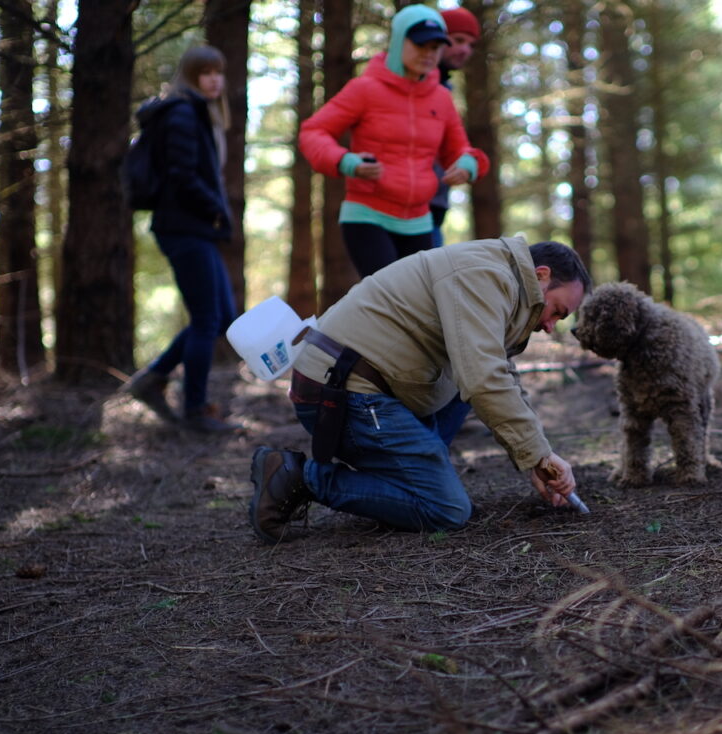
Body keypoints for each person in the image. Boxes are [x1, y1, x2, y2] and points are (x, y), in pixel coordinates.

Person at [248, 237, 592, 543]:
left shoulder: (498, 276)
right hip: (341, 392)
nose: (549, 327)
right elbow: (484, 378)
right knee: (446, 509)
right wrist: (539, 456)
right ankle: (300, 477)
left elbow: (498, 372)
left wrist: (537, 457)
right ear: (542, 275)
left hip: (365, 385)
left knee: (471, 385)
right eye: (557, 312)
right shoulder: (484, 276)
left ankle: (409, 477)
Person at [298, 4, 489, 278]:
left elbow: (459, 149)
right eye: (422, 45)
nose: (428, 54)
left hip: (419, 221)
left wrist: (468, 164)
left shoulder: (441, 98)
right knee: (389, 299)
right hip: (367, 215)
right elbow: (313, 132)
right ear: (400, 41)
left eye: (436, 47)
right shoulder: (364, 89)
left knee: (418, 307)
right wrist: (346, 161)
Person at [125, 45, 240, 433]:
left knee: (222, 316)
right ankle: (194, 410)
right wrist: (217, 210)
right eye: (205, 73)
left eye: (218, 72)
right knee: (208, 318)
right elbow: (182, 175)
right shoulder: (182, 112)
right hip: (184, 226)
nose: (214, 79)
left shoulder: (197, 112)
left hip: (195, 227)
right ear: (190, 77)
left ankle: (153, 378)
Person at [429, 6, 482, 248]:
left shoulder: (446, 90)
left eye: (471, 45)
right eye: (458, 40)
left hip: (436, 202)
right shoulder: (409, 85)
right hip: (402, 208)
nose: (465, 50)